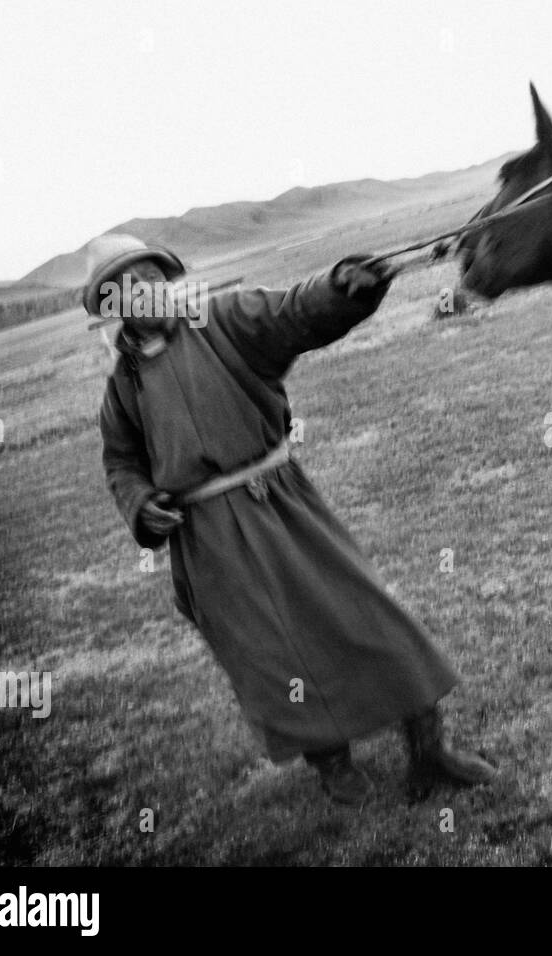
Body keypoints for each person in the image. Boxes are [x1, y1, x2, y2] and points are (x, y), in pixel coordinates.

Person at [88, 234, 496, 805]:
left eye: (150, 277)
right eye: (125, 286)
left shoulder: (221, 319)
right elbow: (121, 460)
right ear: (111, 307)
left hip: (277, 503)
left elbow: (292, 313)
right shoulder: (122, 386)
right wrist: (137, 501)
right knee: (274, 658)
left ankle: (430, 752)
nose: (144, 291)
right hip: (207, 540)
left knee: (366, 616)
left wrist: (342, 289)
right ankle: (333, 766)